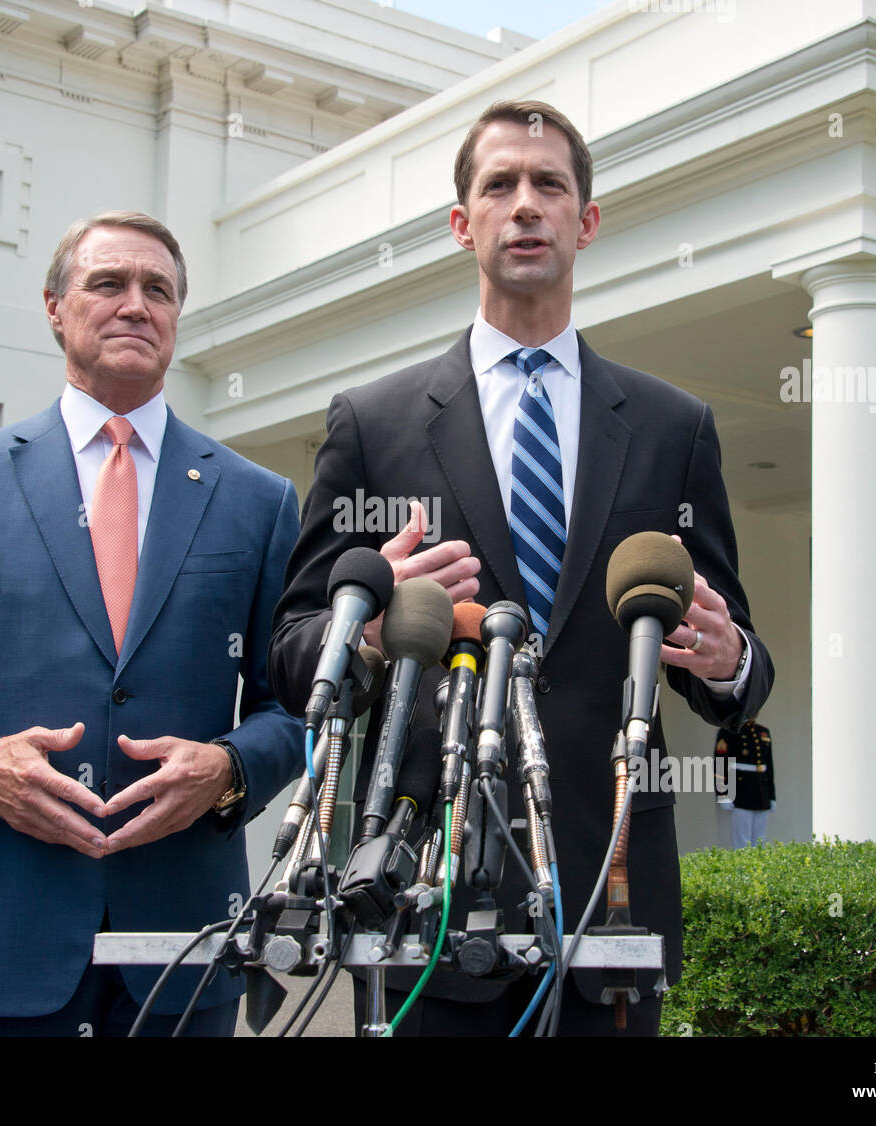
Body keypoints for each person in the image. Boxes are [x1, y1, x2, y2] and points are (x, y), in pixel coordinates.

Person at [268, 101, 774, 1035]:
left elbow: (738, 674)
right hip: (423, 894)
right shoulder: (371, 424)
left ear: (586, 221)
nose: (525, 205)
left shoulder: (672, 428)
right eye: (499, 185)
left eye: (550, 185)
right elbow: (295, 652)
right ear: (462, 224)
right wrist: (368, 631)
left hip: (611, 900)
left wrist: (726, 655)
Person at [0, 211, 303, 1036]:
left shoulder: (259, 502)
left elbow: (295, 705)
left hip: (181, 963)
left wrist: (227, 769)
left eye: (158, 290)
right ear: (55, 307)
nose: (135, 305)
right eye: (108, 283)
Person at [715, 718, 776, 847]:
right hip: (741, 793)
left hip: (761, 794)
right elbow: (721, 763)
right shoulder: (729, 731)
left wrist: (771, 795)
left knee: (760, 841)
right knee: (742, 843)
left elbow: (769, 767)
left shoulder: (763, 732)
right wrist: (723, 794)